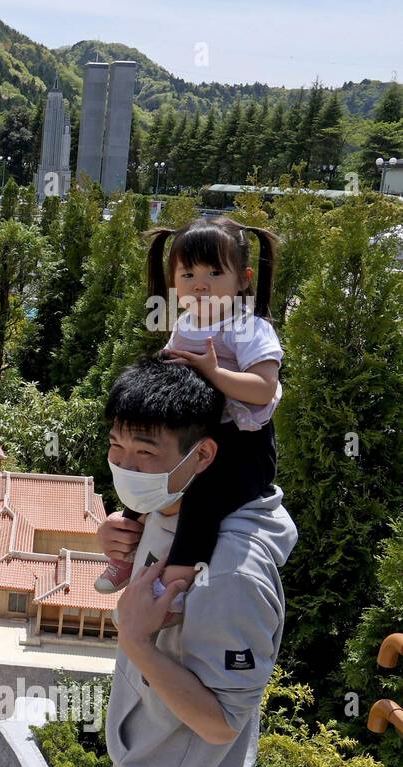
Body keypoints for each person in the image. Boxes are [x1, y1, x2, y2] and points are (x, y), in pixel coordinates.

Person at [93, 355, 297, 767]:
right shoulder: (173, 509)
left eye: (145, 452)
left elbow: (220, 724)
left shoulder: (231, 574)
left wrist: (135, 640)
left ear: (203, 453)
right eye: (117, 445)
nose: (125, 465)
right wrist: (118, 541)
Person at [95, 217, 283, 633]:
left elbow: (263, 389)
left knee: (202, 503)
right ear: (174, 282)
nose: (201, 284)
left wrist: (215, 374)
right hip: (199, 437)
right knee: (145, 487)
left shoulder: (249, 328)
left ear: (243, 279)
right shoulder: (186, 325)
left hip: (241, 447)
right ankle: (124, 558)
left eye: (214, 273)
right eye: (188, 274)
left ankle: (172, 587)